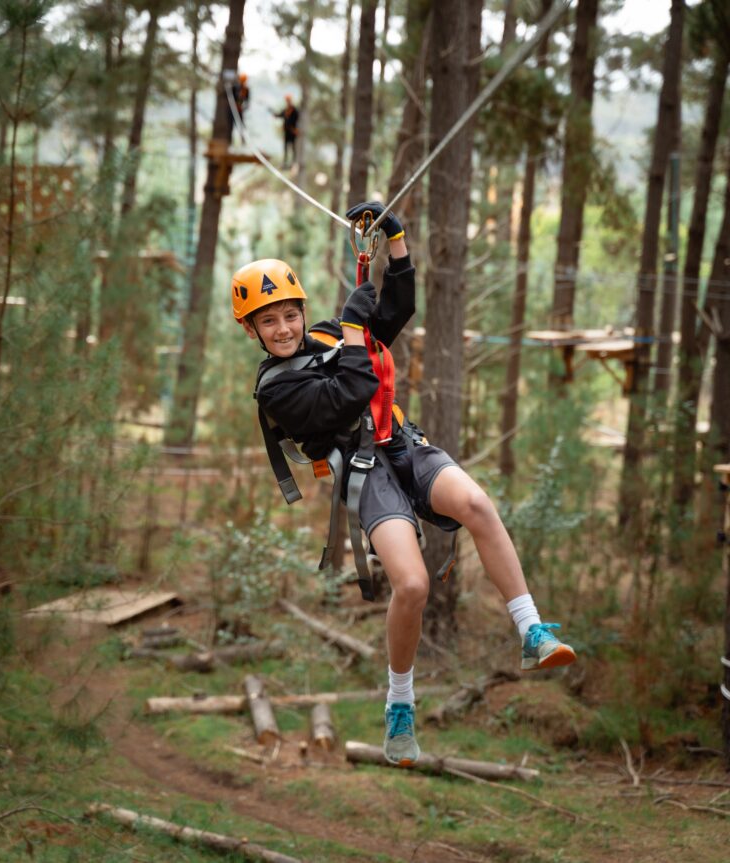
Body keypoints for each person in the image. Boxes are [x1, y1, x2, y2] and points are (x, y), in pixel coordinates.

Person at [230, 201, 576, 768]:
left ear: (301, 311)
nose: (285, 328)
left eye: (290, 314)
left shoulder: (324, 335)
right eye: (269, 321)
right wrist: (350, 326)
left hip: (401, 445)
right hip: (364, 475)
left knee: (476, 504)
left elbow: (397, 306)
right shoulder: (276, 390)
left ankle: (532, 631)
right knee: (412, 585)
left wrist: (394, 241)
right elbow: (349, 392)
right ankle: (400, 705)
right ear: (252, 331)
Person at [272, 94, 299, 168]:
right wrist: (274, 114)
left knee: (293, 148)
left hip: (292, 131)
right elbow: (279, 115)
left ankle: (294, 162)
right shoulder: (286, 110)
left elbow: (298, 120)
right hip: (287, 132)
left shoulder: (294, 110)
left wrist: (296, 130)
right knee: (286, 147)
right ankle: (285, 162)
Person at [227, 73, 250, 144]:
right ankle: (230, 142)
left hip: (240, 109)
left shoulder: (246, 89)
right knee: (231, 126)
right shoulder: (235, 87)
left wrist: (244, 106)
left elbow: (247, 100)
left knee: (241, 125)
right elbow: (230, 96)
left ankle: (242, 141)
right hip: (233, 109)